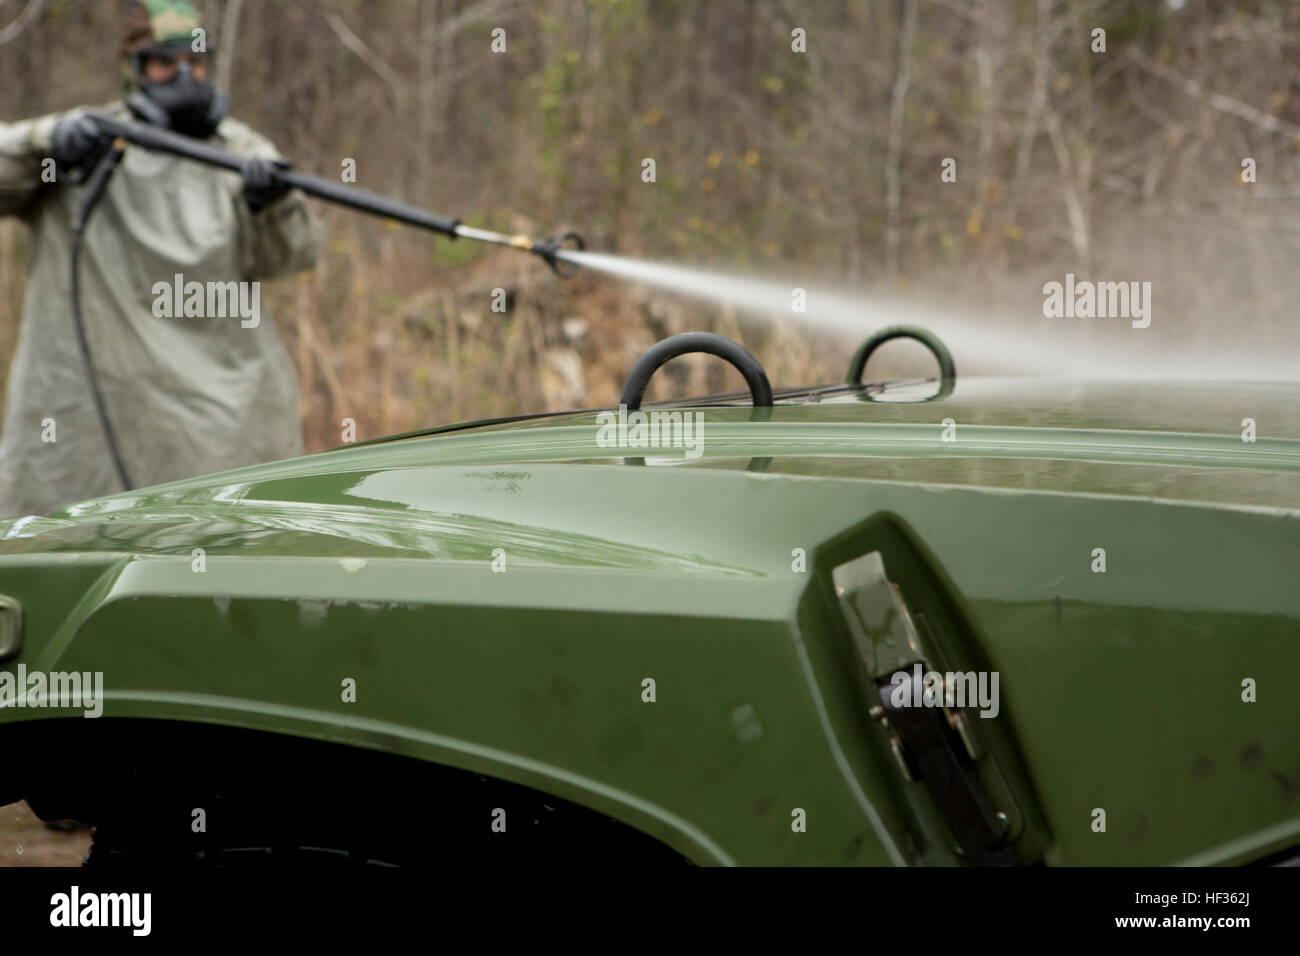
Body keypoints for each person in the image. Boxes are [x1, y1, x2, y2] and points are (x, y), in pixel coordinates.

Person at [0, 0, 322, 517]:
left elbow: (295, 256)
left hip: (219, 412)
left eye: (196, 63)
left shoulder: (242, 151)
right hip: (93, 415)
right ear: (135, 68)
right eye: (165, 62)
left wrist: (273, 205)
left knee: (218, 558)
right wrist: (45, 145)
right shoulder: (85, 142)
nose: (185, 76)